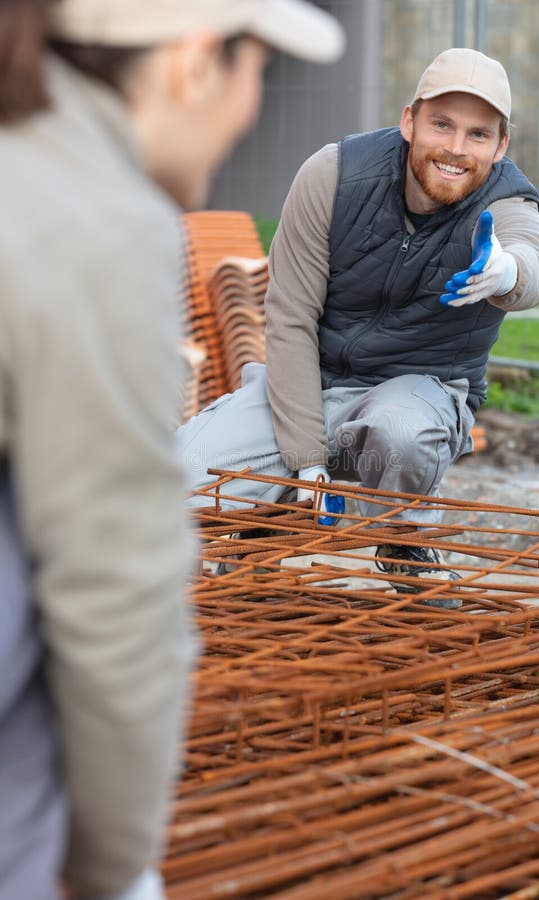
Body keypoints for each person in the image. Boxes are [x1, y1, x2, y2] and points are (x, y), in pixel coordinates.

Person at [0, 2, 344, 899]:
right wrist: (114, 872)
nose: (251, 107)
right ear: (195, 63)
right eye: (256, 69)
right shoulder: (96, 219)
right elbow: (116, 593)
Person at [177, 47, 539, 602]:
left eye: (478, 134)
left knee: (401, 433)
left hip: (413, 395)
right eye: (441, 124)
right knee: (171, 485)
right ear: (409, 121)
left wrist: (507, 271)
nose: (455, 147)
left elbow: (533, 259)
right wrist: (305, 461)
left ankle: (404, 543)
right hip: (307, 384)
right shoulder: (334, 176)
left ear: (500, 147)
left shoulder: (508, 202)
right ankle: (271, 521)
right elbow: (291, 318)